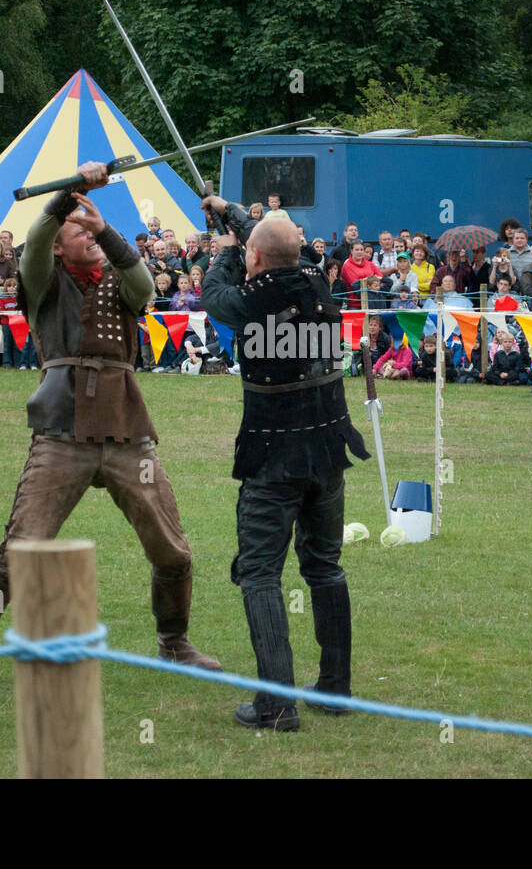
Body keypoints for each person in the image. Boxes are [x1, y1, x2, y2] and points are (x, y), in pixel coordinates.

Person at [0, 163, 219, 687]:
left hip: (125, 430)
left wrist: (102, 227)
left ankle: (175, 643)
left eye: (91, 228)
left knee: (171, 548)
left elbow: (142, 283)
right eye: (78, 231)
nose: (87, 234)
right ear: (59, 247)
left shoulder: (121, 279)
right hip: (61, 433)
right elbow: (37, 241)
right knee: (23, 549)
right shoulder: (42, 280)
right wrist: (65, 198)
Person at [200, 194, 368, 731]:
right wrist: (231, 213)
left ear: (253, 258)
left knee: (259, 574)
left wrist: (225, 246)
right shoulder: (318, 278)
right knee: (324, 567)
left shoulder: (248, 299)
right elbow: (277, 242)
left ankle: (276, 702)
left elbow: (211, 291)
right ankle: (335, 689)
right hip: (327, 453)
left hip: (275, 458)